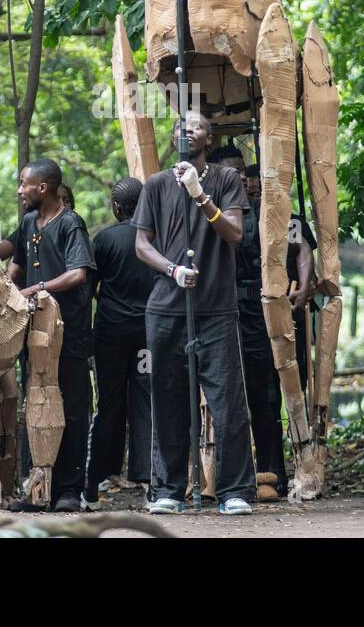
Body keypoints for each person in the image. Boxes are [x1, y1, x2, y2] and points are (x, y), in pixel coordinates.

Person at [134, 110, 257, 516]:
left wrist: (201, 197)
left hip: (216, 308)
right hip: (167, 309)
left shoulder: (224, 180)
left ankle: (234, 490)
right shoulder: (154, 186)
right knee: (168, 398)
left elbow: (235, 235)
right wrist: (172, 269)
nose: (187, 131)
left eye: (197, 126)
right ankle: (168, 488)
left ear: (208, 138)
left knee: (227, 402)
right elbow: (142, 244)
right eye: (181, 127)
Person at [9, 158, 96, 513]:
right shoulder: (30, 222)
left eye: (24, 183)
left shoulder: (70, 223)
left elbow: (78, 273)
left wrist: (37, 289)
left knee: (72, 410)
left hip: (69, 336)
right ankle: (37, 490)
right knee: (37, 408)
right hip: (34, 338)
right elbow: (15, 267)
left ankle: (69, 489)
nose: (20, 190)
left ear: (42, 188)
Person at [234, 159, 314, 499]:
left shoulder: (288, 220)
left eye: (258, 185)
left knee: (290, 391)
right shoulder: (235, 221)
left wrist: (303, 289)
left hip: (285, 312)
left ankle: (300, 470)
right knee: (261, 396)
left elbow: (304, 253)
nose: (254, 191)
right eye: (248, 186)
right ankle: (271, 471)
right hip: (247, 316)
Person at [82, 177, 154, 508]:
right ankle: (152, 483)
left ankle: (94, 484)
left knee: (109, 406)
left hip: (110, 333)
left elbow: (88, 289)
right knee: (146, 402)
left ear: (115, 207)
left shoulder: (104, 239)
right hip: (147, 334)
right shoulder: (155, 238)